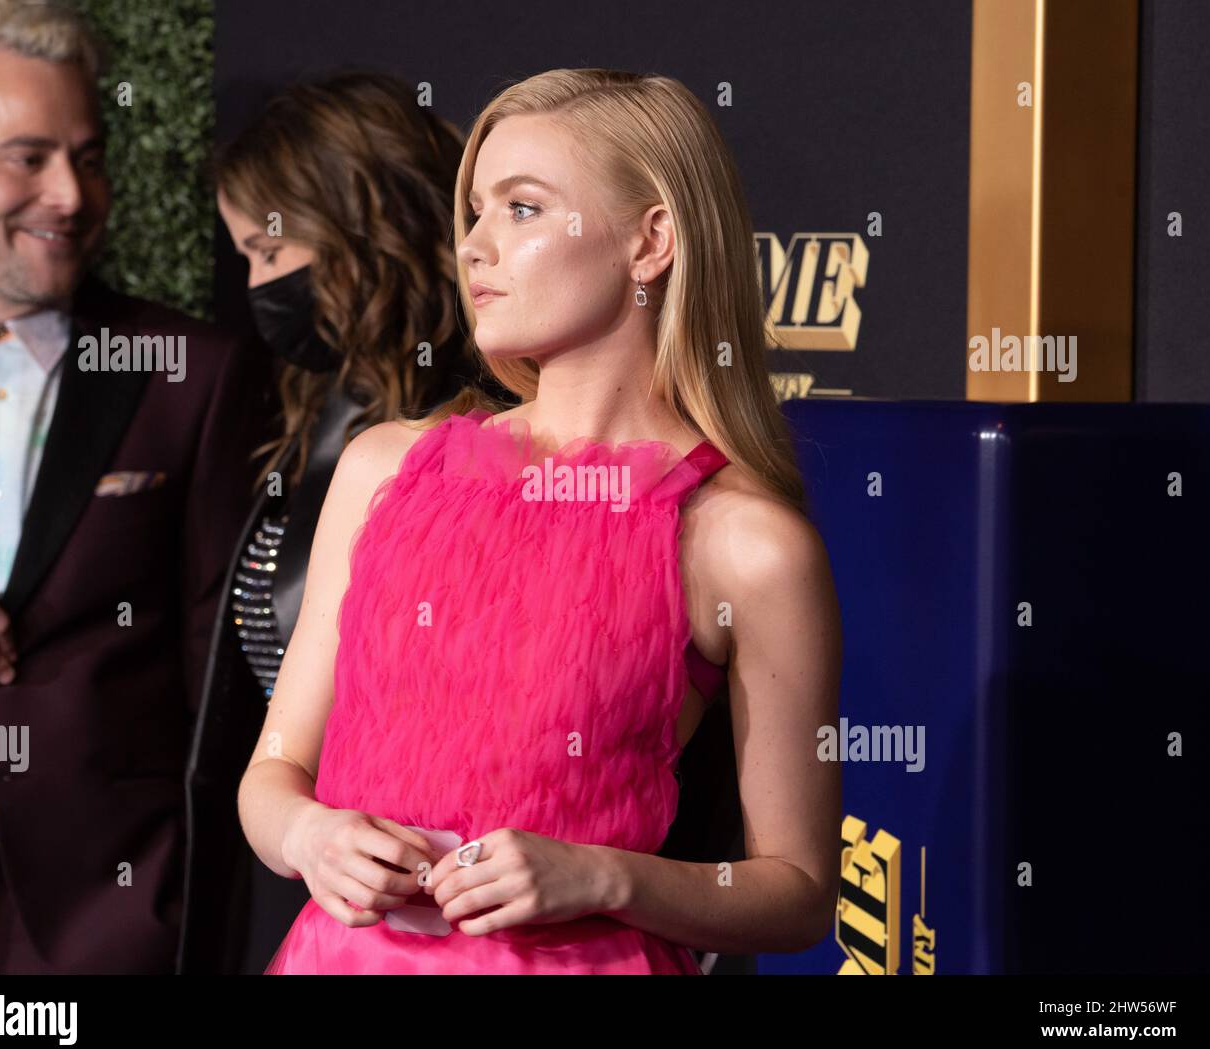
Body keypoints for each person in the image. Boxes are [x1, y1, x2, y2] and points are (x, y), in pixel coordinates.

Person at [239, 68, 843, 974]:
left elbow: (797, 890)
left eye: (522, 209)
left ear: (652, 241)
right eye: (475, 211)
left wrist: (606, 876)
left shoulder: (743, 543)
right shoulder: (383, 469)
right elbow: (269, 777)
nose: (475, 247)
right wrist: (310, 834)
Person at [0, 0, 267, 973]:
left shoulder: (187, 372)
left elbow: (220, 688)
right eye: (28, 158)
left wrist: (180, 920)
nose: (71, 194)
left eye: (88, 154)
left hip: (102, 928)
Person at [179, 71, 486, 973]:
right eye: (241, 259)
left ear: (360, 219)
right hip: (305, 868)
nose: (256, 286)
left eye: (269, 253)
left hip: (430, 908)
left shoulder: (496, 420)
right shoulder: (314, 405)